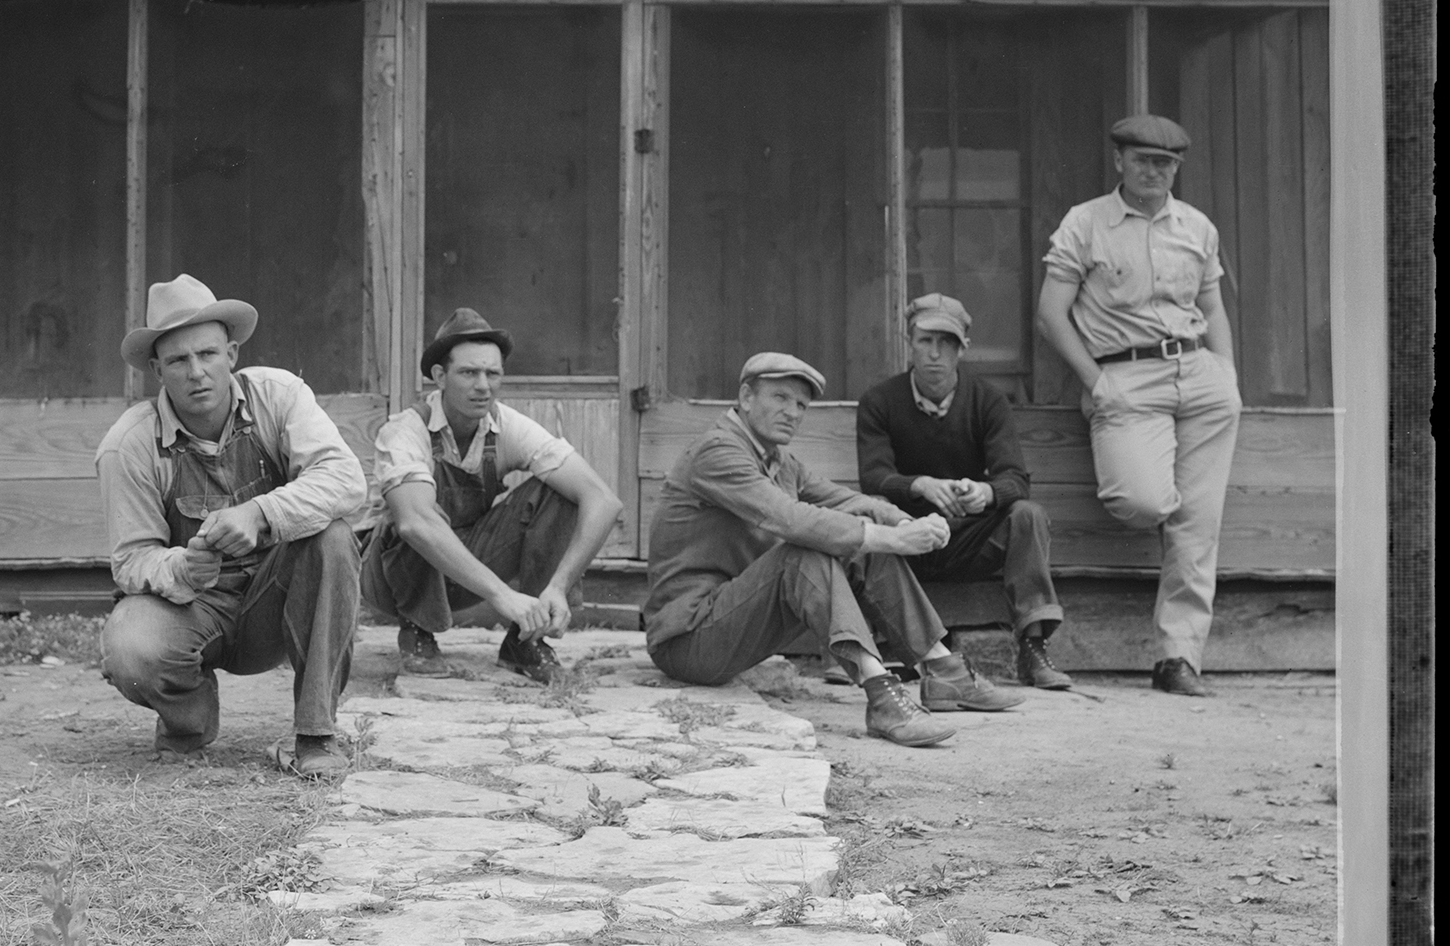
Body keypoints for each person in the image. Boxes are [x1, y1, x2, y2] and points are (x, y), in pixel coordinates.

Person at [643, 353, 1020, 748]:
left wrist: (905, 523)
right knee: (805, 552)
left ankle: (945, 670)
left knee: (859, 542)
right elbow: (790, 519)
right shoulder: (718, 452)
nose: (792, 412)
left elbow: (843, 500)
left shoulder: (778, 460)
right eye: (781, 398)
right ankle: (882, 696)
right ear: (746, 396)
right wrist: (892, 538)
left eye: (802, 405)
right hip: (688, 641)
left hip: (731, 620)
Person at [96, 274, 365, 779]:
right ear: (157, 370)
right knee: (131, 646)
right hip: (195, 608)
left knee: (333, 537)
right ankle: (187, 726)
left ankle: (315, 733)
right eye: (178, 360)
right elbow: (131, 560)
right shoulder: (128, 444)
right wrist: (185, 565)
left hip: (279, 601)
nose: (197, 373)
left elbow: (347, 480)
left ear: (233, 354)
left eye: (208, 354)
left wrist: (259, 514)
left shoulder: (280, 396)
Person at [1037, 114, 1241, 698]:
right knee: (1143, 501)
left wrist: (1227, 375)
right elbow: (1052, 315)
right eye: (1144, 160)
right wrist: (1095, 382)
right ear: (1120, 162)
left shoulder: (1196, 227)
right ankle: (1176, 643)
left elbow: (1213, 304)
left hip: (1201, 378)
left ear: (1178, 167)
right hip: (1127, 378)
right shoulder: (1085, 223)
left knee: (1198, 529)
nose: (1155, 171)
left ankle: (1178, 659)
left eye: (1167, 163)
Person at [361, 309, 626, 684]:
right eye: (469, 373)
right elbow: (415, 523)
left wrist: (559, 585)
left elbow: (603, 500)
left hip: (464, 569)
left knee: (559, 492)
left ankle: (525, 639)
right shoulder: (405, 430)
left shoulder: (508, 426)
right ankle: (417, 629)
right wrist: (502, 595)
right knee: (415, 509)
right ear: (440, 377)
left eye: (493, 374)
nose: (483, 385)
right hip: (392, 577)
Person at [857, 294, 1071, 692]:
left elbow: (1015, 477)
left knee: (1027, 513)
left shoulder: (987, 401)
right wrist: (919, 484)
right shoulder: (880, 402)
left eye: (947, 342)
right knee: (868, 513)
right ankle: (866, 645)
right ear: (909, 340)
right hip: (907, 541)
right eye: (925, 341)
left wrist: (986, 493)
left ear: (962, 349)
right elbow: (873, 475)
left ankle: (1033, 647)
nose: (935, 353)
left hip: (969, 541)